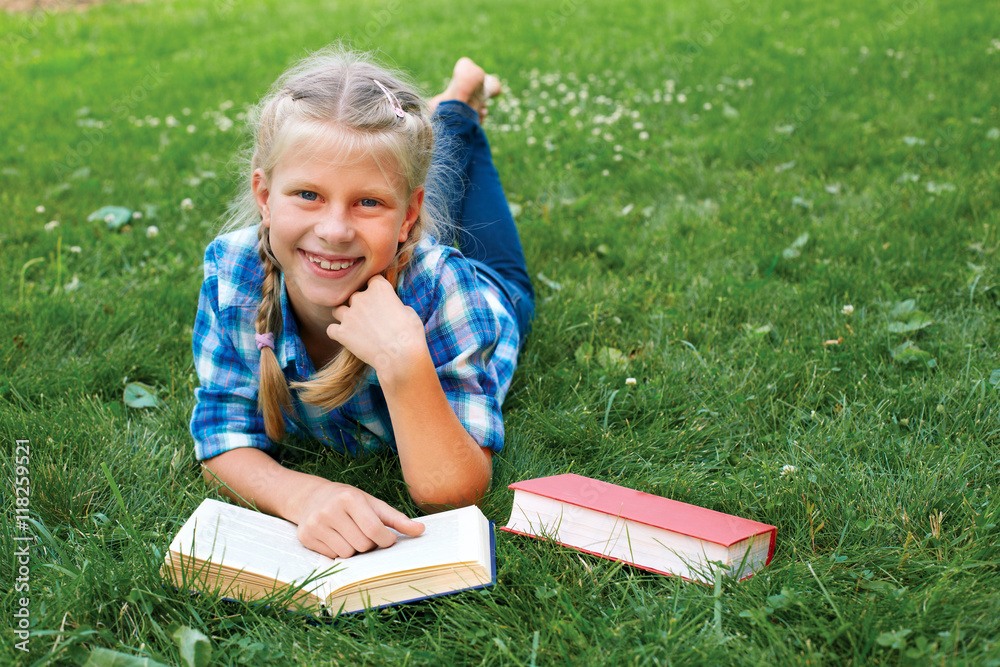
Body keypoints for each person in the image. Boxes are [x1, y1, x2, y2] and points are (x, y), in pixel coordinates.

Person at [189, 46, 534, 561]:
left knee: (460, 155)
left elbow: (453, 493)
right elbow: (221, 438)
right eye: (307, 193)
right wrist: (303, 494)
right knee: (412, 164)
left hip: (493, 290)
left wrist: (404, 360)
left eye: (367, 201)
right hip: (405, 245)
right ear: (264, 195)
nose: (333, 230)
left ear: (409, 214)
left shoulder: (447, 291)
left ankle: (461, 98)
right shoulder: (234, 273)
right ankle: (446, 111)